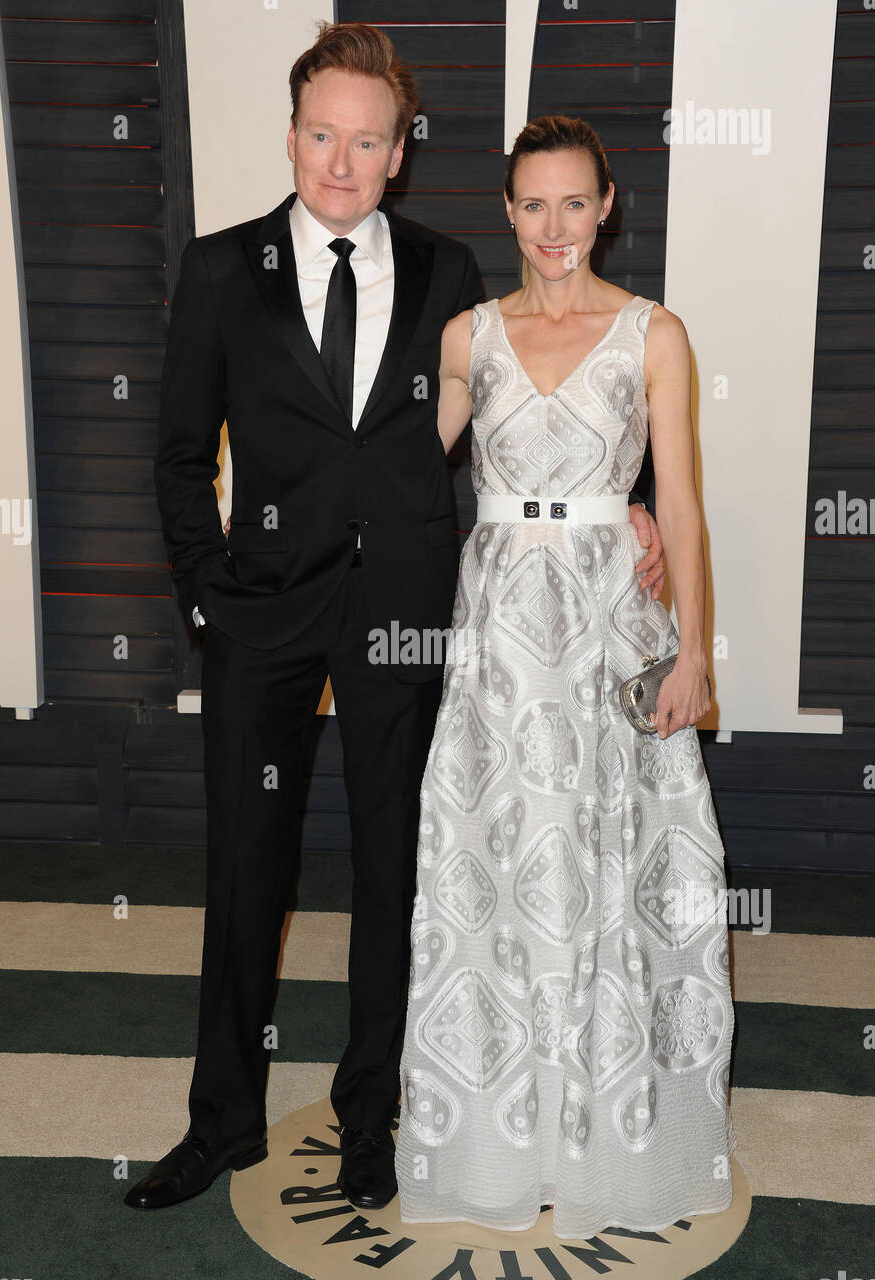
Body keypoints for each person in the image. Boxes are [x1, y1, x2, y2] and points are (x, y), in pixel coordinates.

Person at [125, 24, 664, 1213]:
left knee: (392, 872)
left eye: (368, 139)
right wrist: (206, 597)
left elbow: (535, 408)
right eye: (323, 133)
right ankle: (223, 1122)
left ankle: (371, 1117)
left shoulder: (446, 271)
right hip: (260, 613)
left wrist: (634, 507)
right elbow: (175, 456)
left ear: (399, 154)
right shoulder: (222, 271)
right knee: (243, 871)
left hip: (402, 616)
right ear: (293, 135)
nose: (341, 159)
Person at [395, 115, 737, 1238]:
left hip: (607, 629)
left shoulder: (656, 335)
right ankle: (501, 1135)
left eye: (574, 203)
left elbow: (678, 501)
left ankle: (609, 1130)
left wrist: (692, 648)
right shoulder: (466, 338)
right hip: (498, 636)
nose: (554, 227)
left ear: (605, 208)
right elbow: (401, 477)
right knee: (495, 867)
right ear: (508, 211)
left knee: (613, 863)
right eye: (532, 204)